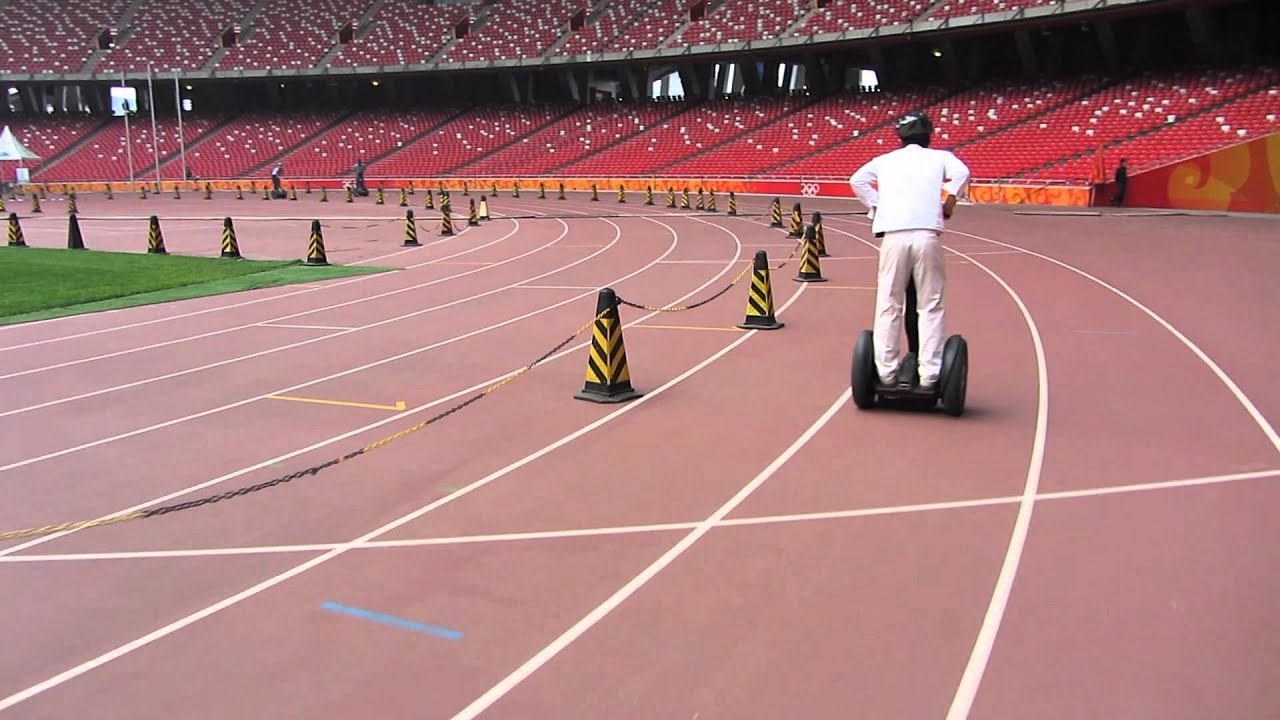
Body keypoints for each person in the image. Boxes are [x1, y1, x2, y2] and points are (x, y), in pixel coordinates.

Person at [849, 111, 970, 391]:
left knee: (889, 304)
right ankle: (929, 375)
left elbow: (857, 181)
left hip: (893, 237)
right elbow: (962, 173)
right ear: (929, 135)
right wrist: (950, 200)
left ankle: (886, 373)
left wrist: (878, 205)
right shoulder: (940, 157)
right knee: (930, 305)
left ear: (900, 137)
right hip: (927, 236)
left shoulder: (885, 160)